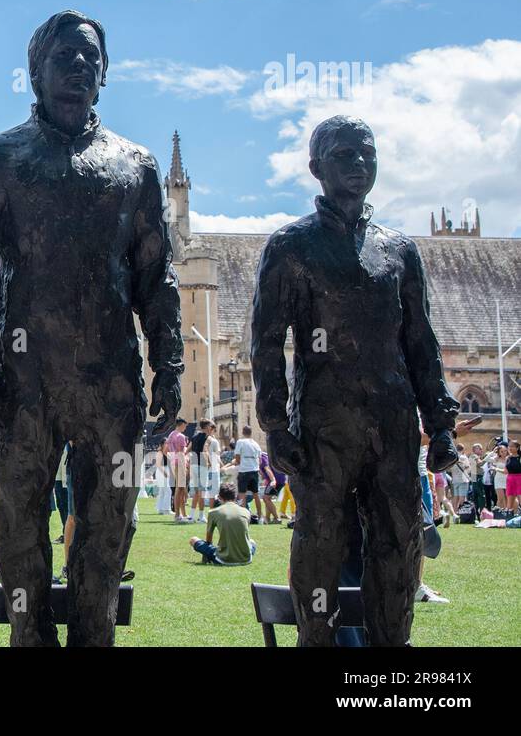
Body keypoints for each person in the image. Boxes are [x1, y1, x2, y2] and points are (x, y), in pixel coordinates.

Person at [0, 9, 184, 645]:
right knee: (19, 531)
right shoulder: (1, 158)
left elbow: (155, 277)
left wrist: (169, 367)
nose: (78, 67)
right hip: (22, 381)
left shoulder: (132, 167)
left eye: (89, 59)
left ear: (105, 75)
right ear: (35, 73)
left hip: (110, 382)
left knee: (106, 538)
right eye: (63, 58)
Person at [250, 115, 460, 646]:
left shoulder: (398, 250)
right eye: (345, 154)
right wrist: (275, 425)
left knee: (398, 545)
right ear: (316, 166)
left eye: (368, 154)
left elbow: (420, 342)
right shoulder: (291, 246)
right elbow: (267, 343)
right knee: (319, 544)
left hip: (392, 422)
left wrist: (440, 424)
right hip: (324, 424)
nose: (360, 164)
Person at [190, 483, 255, 565]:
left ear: (220, 497)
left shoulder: (213, 512)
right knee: (252, 542)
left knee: (193, 540)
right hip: (246, 559)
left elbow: (209, 540)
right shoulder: (246, 511)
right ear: (235, 497)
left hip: (223, 559)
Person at [233, 426, 262, 519]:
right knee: (256, 494)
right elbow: (260, 459)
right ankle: (260, 516)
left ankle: (243, 516)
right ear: (251, 433)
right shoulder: (256, 444)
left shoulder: (241, 442)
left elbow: (237, 456)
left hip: (244, 470)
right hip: (254, 470)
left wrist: (240, 463)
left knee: (242, 493)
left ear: (242, 432)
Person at [164, 419, 190, 522]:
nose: (186, 428)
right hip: (180, 463)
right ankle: (178, 514)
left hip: (174, 463)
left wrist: (172, 459)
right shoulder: (181, 437)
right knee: (180, 489)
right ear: (182, 424)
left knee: (181, 489)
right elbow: (181, 453)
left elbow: (166, 451)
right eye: (185, 426)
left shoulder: (171, 435)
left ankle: (182, 514)